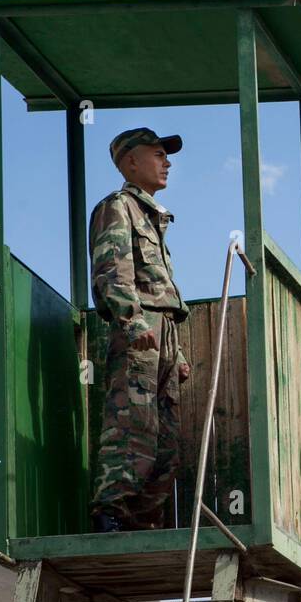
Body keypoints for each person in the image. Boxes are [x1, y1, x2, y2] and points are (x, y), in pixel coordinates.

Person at [89, 127, 191, 532]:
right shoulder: (118, 207)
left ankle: (141, 520)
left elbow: (161, 287)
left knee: (165, 436)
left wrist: (177, 352)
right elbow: (112, 272)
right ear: (131, 161)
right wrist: (131, 322)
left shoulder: (153, 216)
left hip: (163, 330)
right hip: (141, 327)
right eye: (157, 153)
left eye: (167, 155)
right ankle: (109, 512)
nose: (167, 162)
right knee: (132, 424)